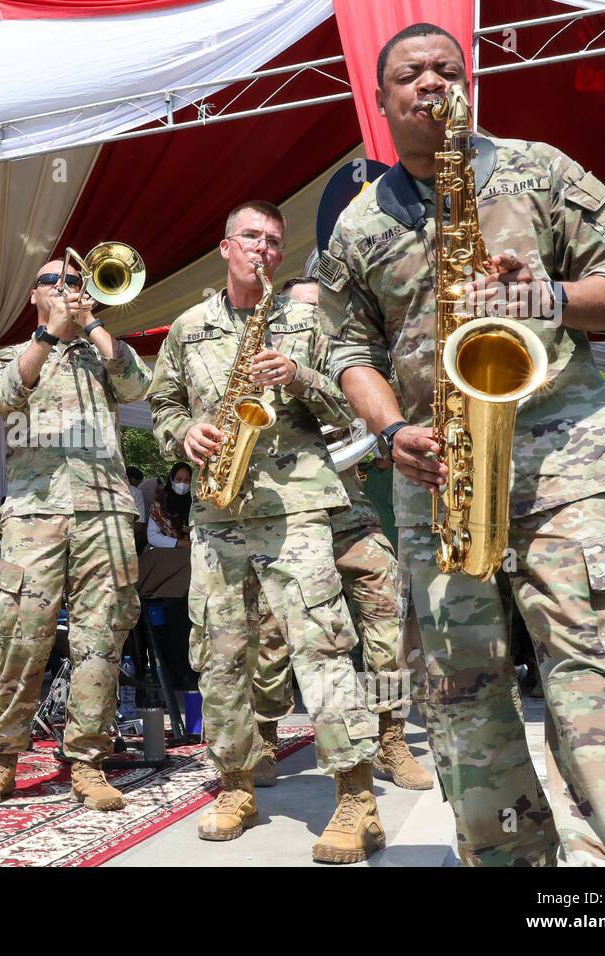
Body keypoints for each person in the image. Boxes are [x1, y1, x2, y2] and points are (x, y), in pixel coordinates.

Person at [320, 22, 605, 865]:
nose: (432, 83)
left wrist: (547, 297)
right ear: (382, 97)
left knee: (596, 669)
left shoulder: (541, 170)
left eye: (449, 69)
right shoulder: (359, 223)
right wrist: (391, 429)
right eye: (412, 73)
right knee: (458, 691)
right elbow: (341, 351)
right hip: (439, 479)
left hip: (563, 465)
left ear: (470, 84)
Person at [147, 200, 381, 862]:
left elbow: (355, 400)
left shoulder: (309, 320)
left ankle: (356, 798)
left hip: (296, 506)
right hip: (219, 514)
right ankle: (236, 784)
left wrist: (301, 375)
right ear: (226, 248)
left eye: (274, 241)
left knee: (321, 648)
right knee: (220, 657)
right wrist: (182, 433)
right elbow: (162, 405)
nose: (264, 249)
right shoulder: (188, 328)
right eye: (251, 237)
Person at [0, 256, 150, 812]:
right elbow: (3, 397)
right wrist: (49, 333)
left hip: (105, 512)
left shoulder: (103, 350)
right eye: (54, 281)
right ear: (33, 295)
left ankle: (87, 761)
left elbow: (139, 385)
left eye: (73, 281)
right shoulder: (7, 355)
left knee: (101, 635)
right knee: (22, 633)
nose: (66, 288)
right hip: (34, 513)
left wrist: (91, 323)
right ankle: (2, 759)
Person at [251, 277, 431, 792]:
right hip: (284, 513)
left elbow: (376, 428)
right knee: (269, 631)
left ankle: (390, 737)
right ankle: (264, 734)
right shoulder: (260, 363)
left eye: (323, 310)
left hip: (347, 507)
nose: (315, 319)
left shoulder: (350, 362)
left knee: (386, 614)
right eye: (305, 309)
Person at [147, 463, 192, 550]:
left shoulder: (198, 503)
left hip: (197, 553)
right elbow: (152, 536)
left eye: (187, 480)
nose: (182, 484)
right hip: (168, 554)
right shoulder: (159, 504)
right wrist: (179, 543)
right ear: (171, 480)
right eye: (178, 479)